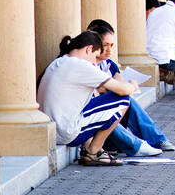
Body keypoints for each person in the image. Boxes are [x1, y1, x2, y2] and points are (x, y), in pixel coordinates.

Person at [37, 31, 136, 167]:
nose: (96, 63)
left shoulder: (59, 62)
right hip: (65, 132)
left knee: (92, 100)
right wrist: (133, 85)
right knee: (123, 100)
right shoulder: (80, 65)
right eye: (96, 57)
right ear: (89, 49)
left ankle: (89, 147)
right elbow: (123, 90)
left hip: (52, 129)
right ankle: (93, 151)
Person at [86, 19, 174, 154]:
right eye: (106, 45)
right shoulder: (85, 65)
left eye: (112, 45)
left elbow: (118, 85)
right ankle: (137, 146)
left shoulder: (109, 64)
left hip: (106, 124)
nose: (109, 49)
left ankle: (157, 140)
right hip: (90, 125)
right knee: (108, 110)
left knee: (126, 100)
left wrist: (117, 87)